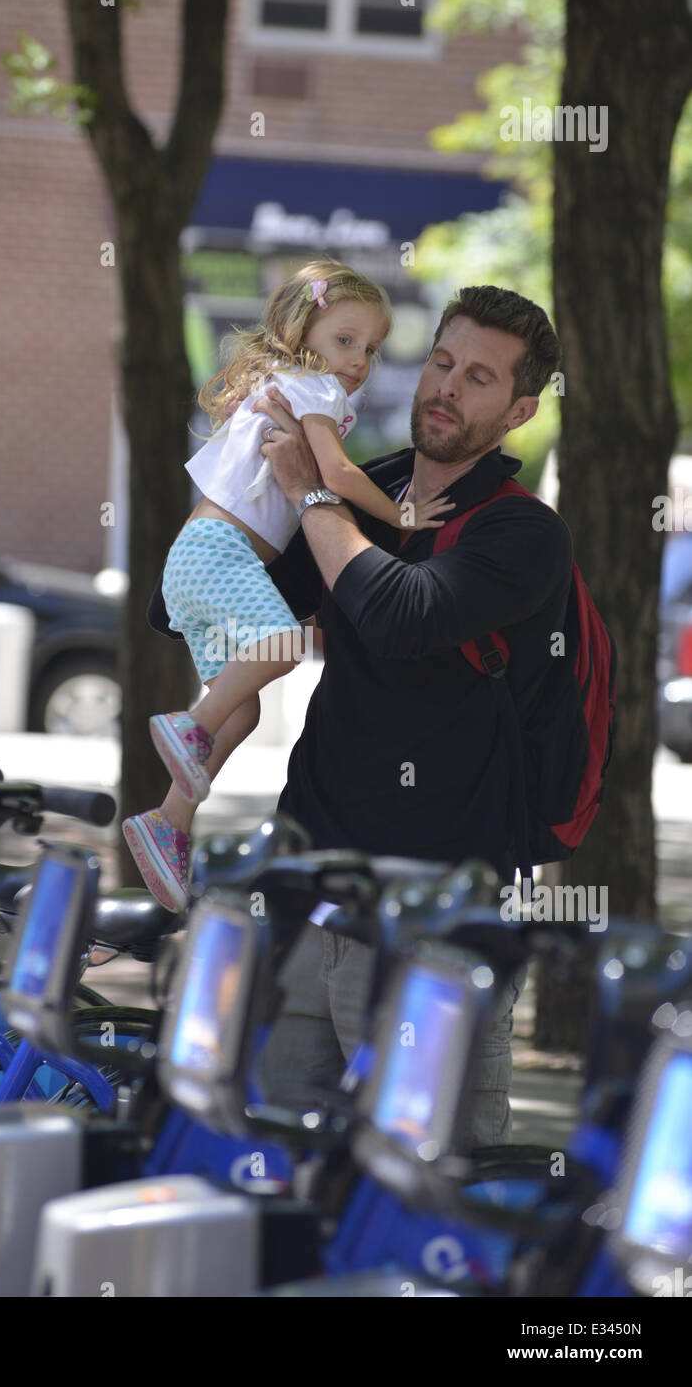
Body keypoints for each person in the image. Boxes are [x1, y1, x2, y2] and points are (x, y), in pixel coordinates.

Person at [148, 283, 572, 1149]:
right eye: (441, 362)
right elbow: (213, 608)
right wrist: (225, 510)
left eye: (479, 378)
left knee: (420, 1182)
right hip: (306, 888)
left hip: (435, 920)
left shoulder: (521, 533)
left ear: (521, 409)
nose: (445, 387)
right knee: (276, 1169)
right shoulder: (364, 485)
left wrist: (313, 499)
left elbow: (402, 613)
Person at [123, 260, 453, 911]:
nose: (359, 360)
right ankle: (189, 726)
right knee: (280, 647)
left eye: (372, 348)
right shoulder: (313, 390)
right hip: (219, 554)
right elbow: (334, 473)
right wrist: (402, 513)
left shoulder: (286, 384)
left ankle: (167, 824)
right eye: (345, 340)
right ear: (304, 332)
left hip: (197, 558)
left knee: (241, 708)